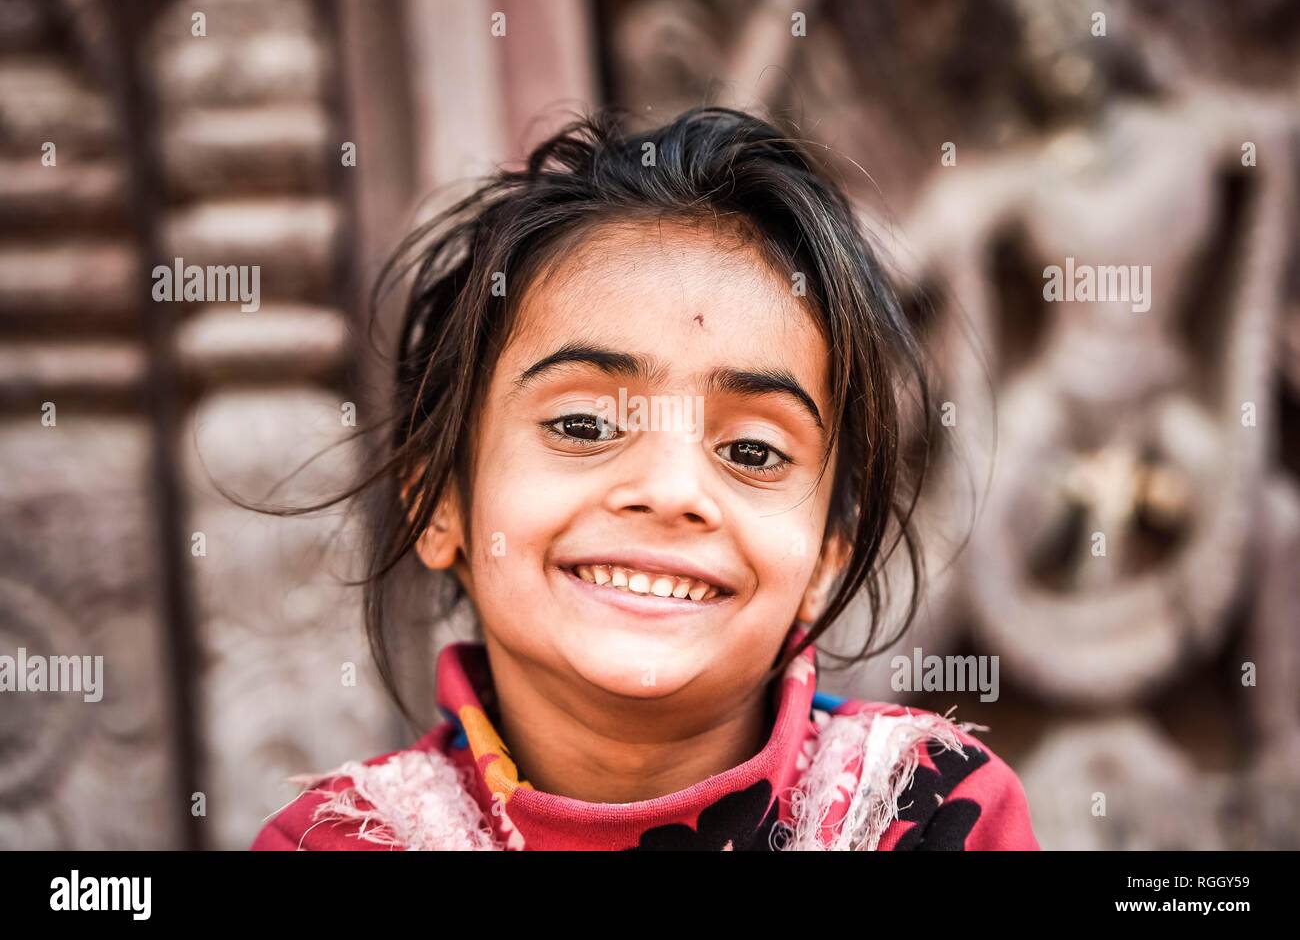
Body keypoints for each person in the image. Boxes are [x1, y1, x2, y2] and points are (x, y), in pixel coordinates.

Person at [250, 106, 1039, 851]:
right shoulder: (337, 839)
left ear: (829, 553)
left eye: (754, 452)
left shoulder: (924, 814)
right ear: (436, 502)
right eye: (584, 425)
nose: (668, 490)